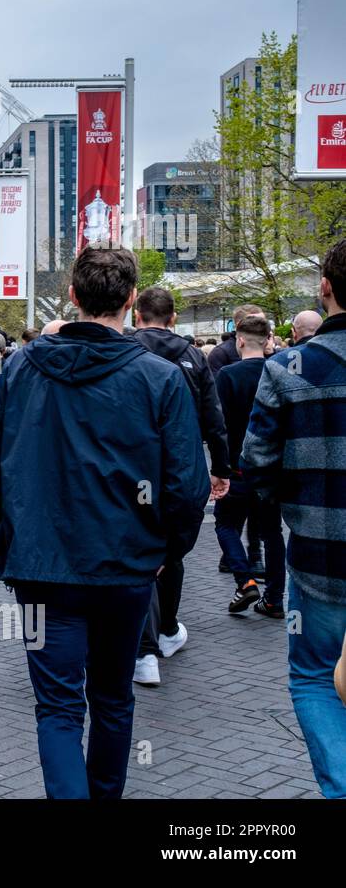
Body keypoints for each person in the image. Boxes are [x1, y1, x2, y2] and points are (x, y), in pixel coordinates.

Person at [0, 246, 210, 799]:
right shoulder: (159, 377)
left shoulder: (20, 370)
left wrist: (4, 543)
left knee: (57, 705)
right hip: (124, 562)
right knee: (112, 698)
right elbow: (186, 482)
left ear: (72, 296)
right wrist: (167, 549)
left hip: (42, 565)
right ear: (131, 299)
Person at [240, 238, 346, 798]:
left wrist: (290, 502)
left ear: (325, 287)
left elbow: (257, 461)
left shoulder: (287, 368)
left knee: (314, 675)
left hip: (319, 553)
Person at [130, 286, 232, 687]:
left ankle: (145, 649)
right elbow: (213, 417)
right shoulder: (193, 357)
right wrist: (220, 467)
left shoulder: (127, 352)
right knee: (171, 553)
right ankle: (165, 631)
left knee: (139, 549)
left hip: (136, 468)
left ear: (137, 315)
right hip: (181, 468)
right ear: (173, 318)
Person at [215, 314, 285, 619]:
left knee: (225, 523)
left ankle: (245, 581)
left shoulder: (228, 375)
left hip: (237, 466)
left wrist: (219, 468)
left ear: (239, 340)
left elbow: (219, 425)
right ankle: (274, 599)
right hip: (272, 468)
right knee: (272, 533)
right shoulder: (279, 371)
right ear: (268, 339)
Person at [207, 303, 265, 373]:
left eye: (264, 323)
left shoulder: (268, 348)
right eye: (256, 323)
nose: (263, 327)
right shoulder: (220, 353)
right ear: (239, 325)